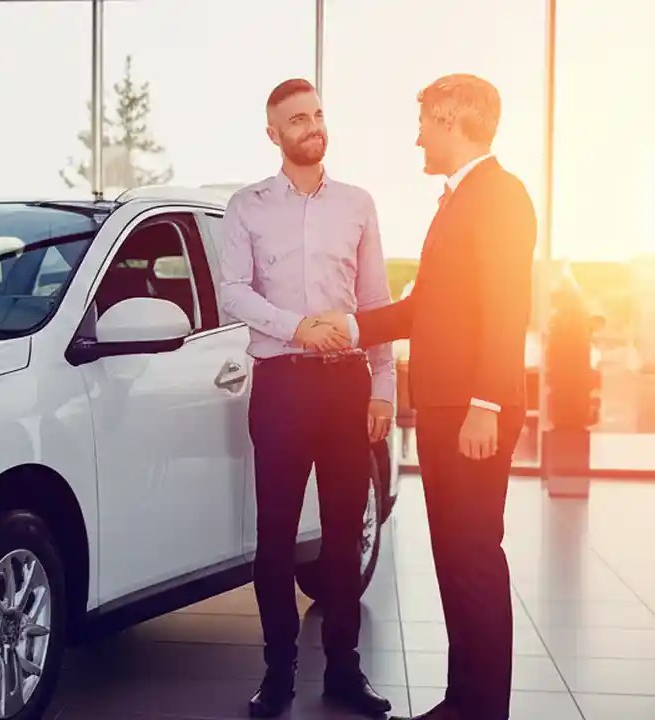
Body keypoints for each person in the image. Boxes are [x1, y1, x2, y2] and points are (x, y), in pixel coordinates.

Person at [319, 74, 536, 720]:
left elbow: (507, 310)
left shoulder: (500, 197)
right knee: (454, 559)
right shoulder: (458, 200)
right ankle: (462, 700)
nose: (416, 138)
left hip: (472, 410)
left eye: (423, 125)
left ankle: (482, 711)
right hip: (446, 408)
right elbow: (425, 308)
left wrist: (488, 404)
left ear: (453, 120)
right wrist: (355, 326)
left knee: (473, 560)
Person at [219, 77, 395, 719]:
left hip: (348, 385)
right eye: (298, 119)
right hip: (283, 387)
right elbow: (232, 291)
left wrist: (384, 387)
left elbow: (375, 305)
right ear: (275, 134)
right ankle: (279, 673)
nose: (312, 126)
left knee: (346, 537)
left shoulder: (358, 204)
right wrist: (297, 326)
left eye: (318, 114)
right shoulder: (247, 206)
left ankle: (345, 671)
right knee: (275, 538)